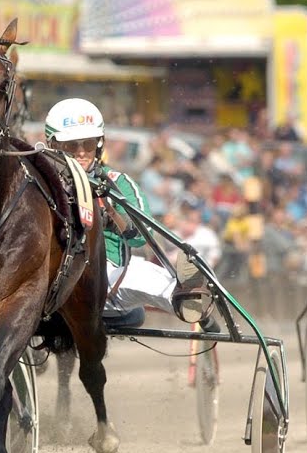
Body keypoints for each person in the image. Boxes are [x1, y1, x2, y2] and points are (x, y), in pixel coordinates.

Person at [43, 98, 210, 324]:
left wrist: (112, 217)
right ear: (54, 146)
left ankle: (188, 299)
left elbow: (140, 239)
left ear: (99, 145)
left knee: (151, 276)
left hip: (107, 276)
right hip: (50, 277)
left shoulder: (117, 183)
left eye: (89, 144)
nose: (81, 152)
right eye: (72, 145)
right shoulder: (38, 183)